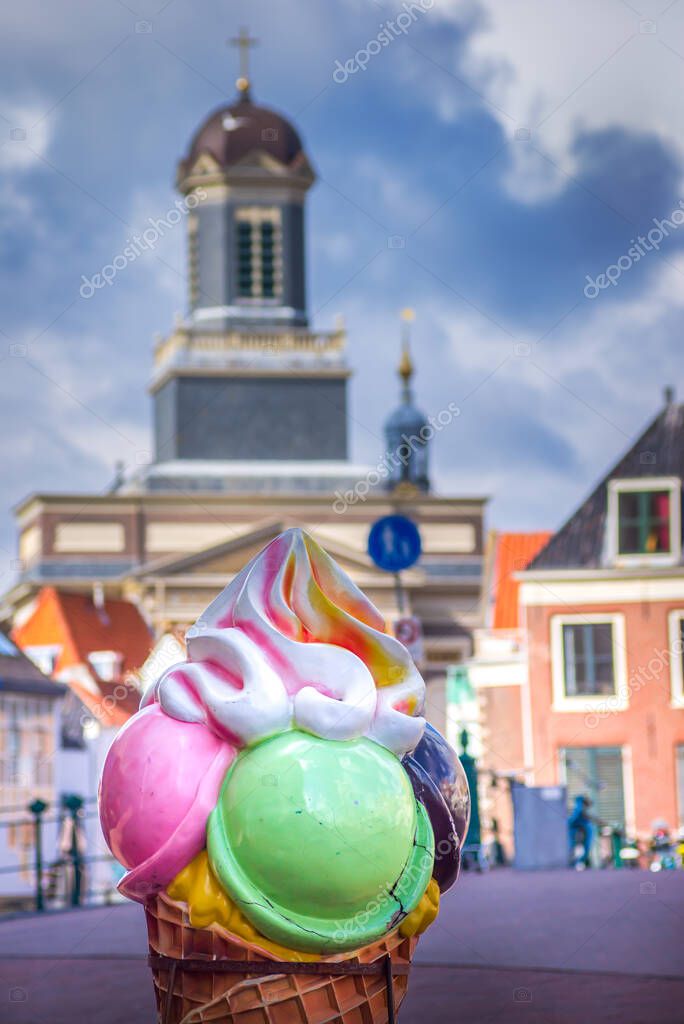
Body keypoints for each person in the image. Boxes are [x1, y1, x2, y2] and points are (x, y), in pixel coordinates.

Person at [568, 794, 595, 869]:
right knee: (572, 848)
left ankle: (578, 862)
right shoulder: (578, 811)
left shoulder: (579, 812)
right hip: (575, 832)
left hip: (581, 832)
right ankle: (574, 863)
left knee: (584, 849)